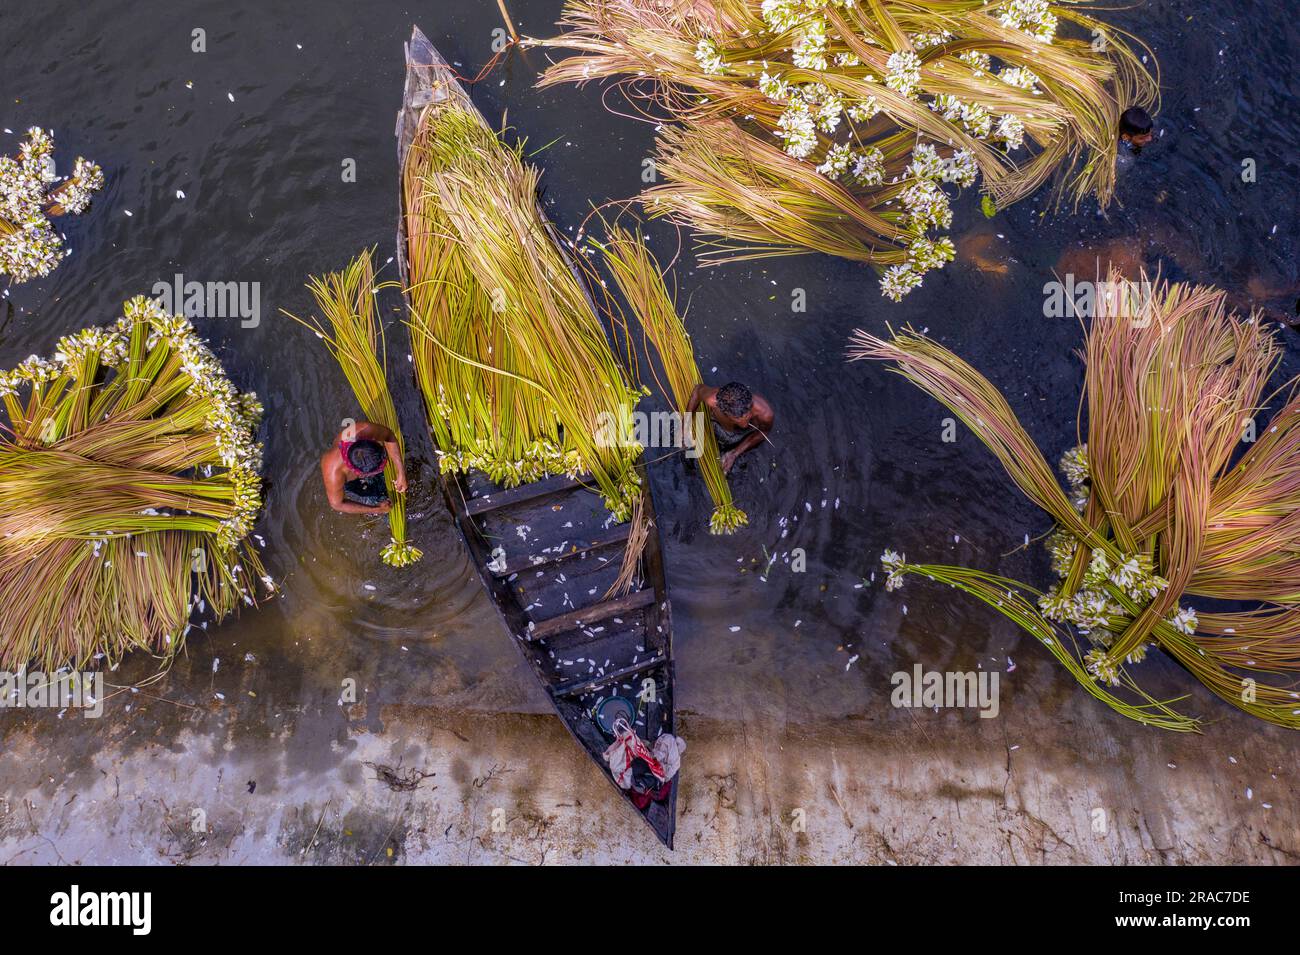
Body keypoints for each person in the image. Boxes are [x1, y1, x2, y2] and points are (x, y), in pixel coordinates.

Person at [320, 420, 407, 515]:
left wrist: (401, 472)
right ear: (361, 473)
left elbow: (389, 435)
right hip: (350, 482)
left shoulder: (364, 429)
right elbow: (337, 504)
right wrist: (377, 509)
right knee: (374, 499)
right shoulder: (334, 474)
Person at [686, 380, 774, 473]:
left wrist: (735, 453)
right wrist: (686, 423)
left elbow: (763, 432)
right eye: (738, 419)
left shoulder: (765, 414)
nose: (745, 423)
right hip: (718, 424)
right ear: (723, 410)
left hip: (738, 435)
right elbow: (697, 390)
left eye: (748, 415)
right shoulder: (712, 400)